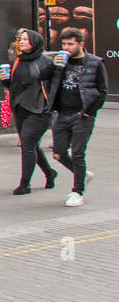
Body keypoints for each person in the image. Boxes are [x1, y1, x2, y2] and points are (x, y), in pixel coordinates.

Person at [49, 27, 108, 206]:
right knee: (58, 153)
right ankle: (82, 174)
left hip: (82, 114)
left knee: (78, 154)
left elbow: (102, 91)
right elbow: (45, 79)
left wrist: (90, 112)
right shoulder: (60, 61)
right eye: (64, 44)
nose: (66, 48)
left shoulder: (95, 63)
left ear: (81, 44)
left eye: (70, 44)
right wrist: (53, 66)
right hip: (62, 114)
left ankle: (77, 192)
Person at [0, 28, 59, 196]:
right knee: (31, 145)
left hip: (40, 109)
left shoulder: (46, 62)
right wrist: (5, 81)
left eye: (26, 39)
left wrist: (51, 106)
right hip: (20, 107)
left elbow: (54, 86)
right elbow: (12, 84)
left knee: (27, 145)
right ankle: (49, 172)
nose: (22, 42)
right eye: (21, 39)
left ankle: (25, 184)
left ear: (35, 42)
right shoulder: (17, 60)